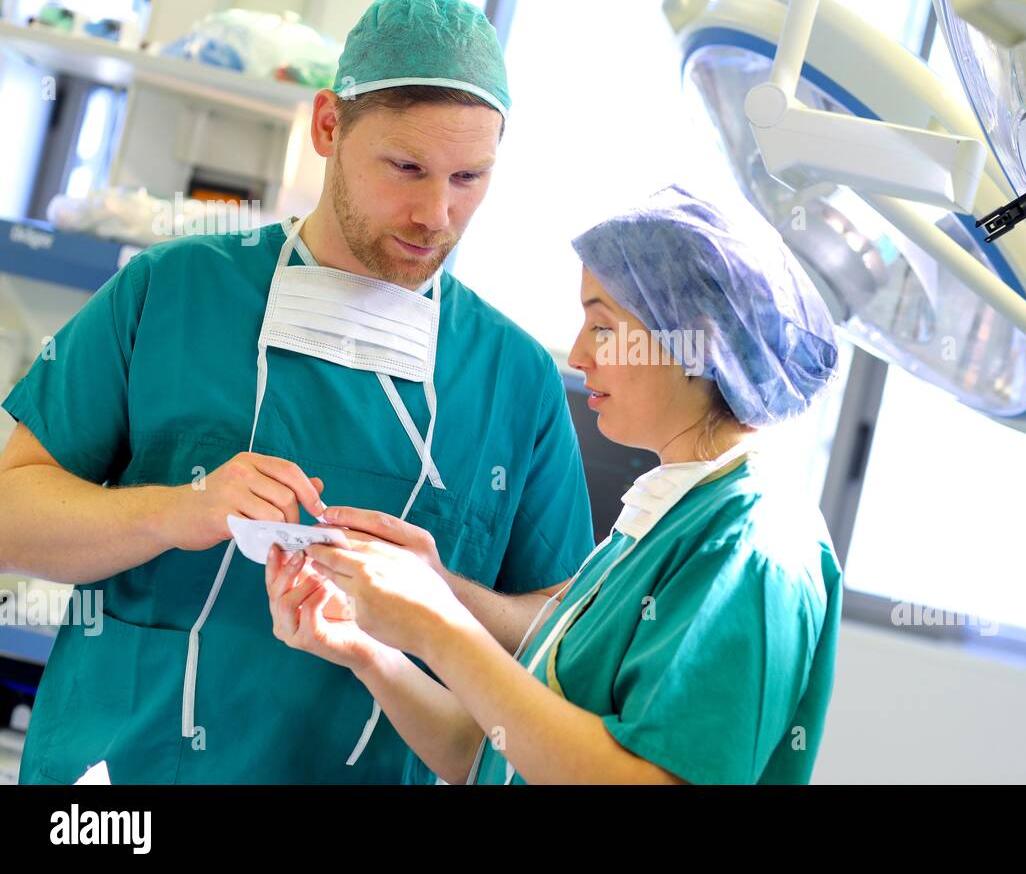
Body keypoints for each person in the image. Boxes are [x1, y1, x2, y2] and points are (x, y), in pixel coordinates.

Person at [0, 0, 594, 784]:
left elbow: (565, 634)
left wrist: (436, 592)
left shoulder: (515, 380)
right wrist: (176, 511)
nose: (436, 213)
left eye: (469, 177)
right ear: (327, 126)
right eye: (406, 167)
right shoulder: (171, 292)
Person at [268, 185, 844, 784]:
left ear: (693, 341)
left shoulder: (751, 551)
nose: (577, 355)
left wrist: (437, 626)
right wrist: (367, 647)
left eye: (602, 325)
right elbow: (494, 753)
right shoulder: (668, 516)